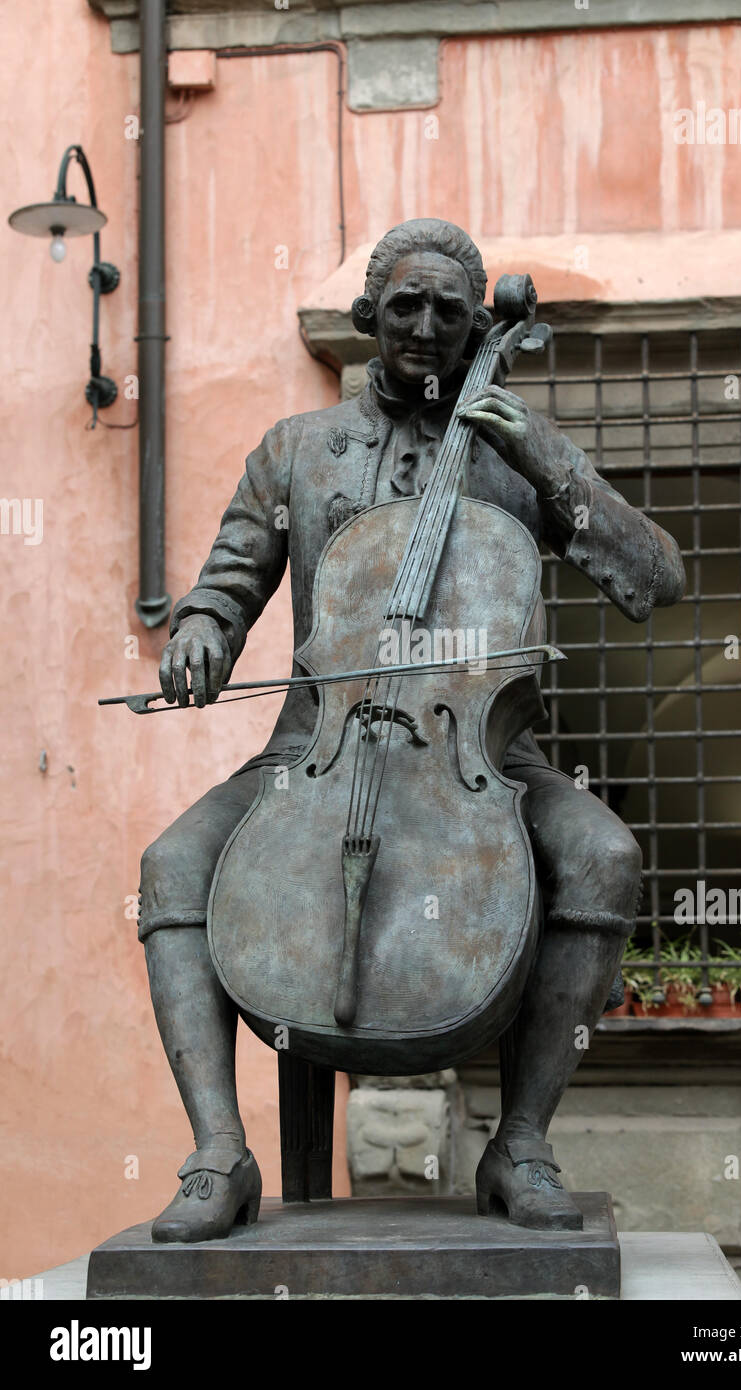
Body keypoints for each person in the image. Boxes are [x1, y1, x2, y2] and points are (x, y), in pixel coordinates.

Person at [140, 218, 685, 1241]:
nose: (426, 327)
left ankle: (518, 1141)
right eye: (405, 306)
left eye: (448, 310)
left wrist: (541, 448)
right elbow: (224, 585)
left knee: (604, 855)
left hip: (484, 752)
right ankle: (218, 1152)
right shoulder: (297, 450)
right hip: (310, 750)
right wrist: (201, 635)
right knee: (170, 864)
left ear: (479, 322)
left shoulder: (514, 456)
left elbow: (654, 577)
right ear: (366, 319)